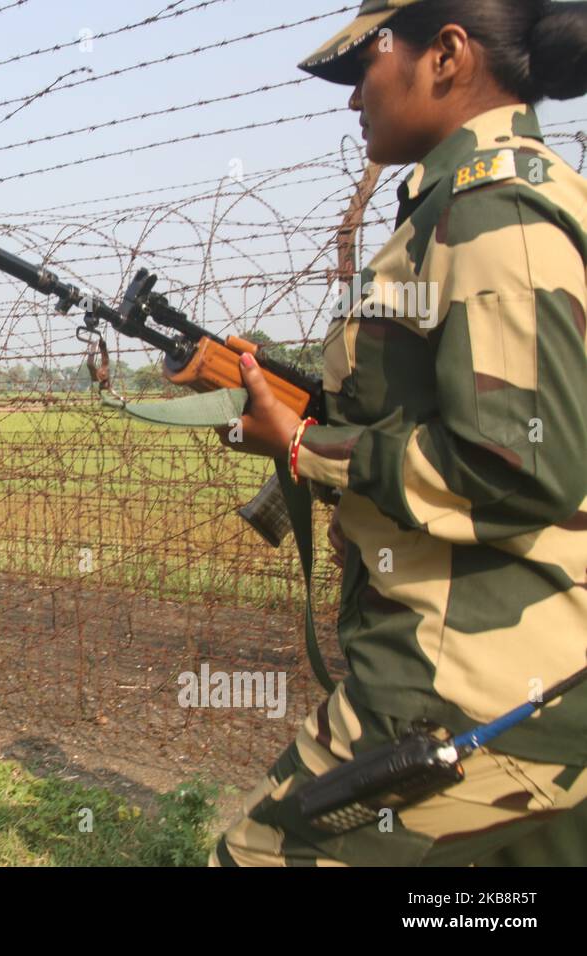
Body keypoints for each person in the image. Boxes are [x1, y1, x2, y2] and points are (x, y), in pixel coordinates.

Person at [211, 0, 587, 865]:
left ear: (447, 55)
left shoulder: (496, 213)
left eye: (364, 70)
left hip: (471, 686)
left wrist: (310, 451)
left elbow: (523, 462)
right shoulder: (480, 200)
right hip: (533, 674)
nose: (353, 102)